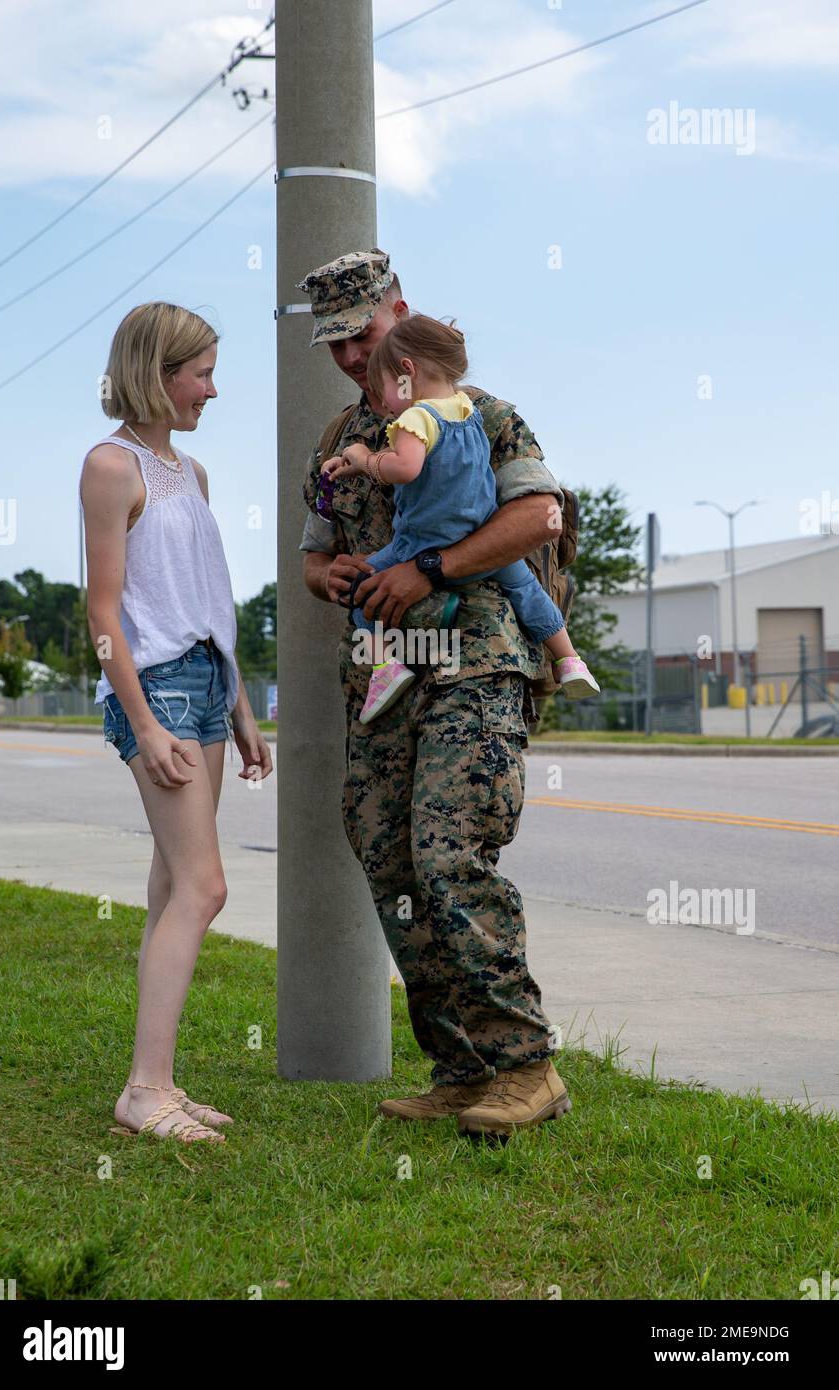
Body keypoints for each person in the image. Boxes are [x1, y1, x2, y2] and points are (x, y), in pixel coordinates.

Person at [297, 249, 573, 1137]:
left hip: (474, 662)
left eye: (363, 337)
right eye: (334, 345)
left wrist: (428, 569)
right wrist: (332, 576)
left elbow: (538, 517)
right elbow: (309, 557)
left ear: (400, 314)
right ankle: (460, 1066)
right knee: (393, 862)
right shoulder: (345, 435)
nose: (350, 359)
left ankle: (526, 1065)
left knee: (450, 851)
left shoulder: (480, 415)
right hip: (384, 679)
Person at [79, 301, 273, 1144]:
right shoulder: (109, 466)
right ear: (158, 375)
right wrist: (144, 724)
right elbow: (104, 611)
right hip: (154, 688)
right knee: (205, 886)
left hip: (204, 680)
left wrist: (240, 705)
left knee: (171, 886)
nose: (213, 390)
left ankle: (154, 1085)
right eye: (202, 374)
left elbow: (205, 600)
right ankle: (145, 1089)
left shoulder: (190, 477)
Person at [321, 312, 599, 724]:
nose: (381, 406)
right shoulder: (465, 410)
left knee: (364, 597)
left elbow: (407, 469)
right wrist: (324, 574)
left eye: (384, 391)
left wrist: (365, 459)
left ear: (406, 373)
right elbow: (315, 551)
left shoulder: (416, 418)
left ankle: (385, 668)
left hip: (465, 647)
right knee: (529, 592)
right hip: (479, 531)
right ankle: (569, 659)